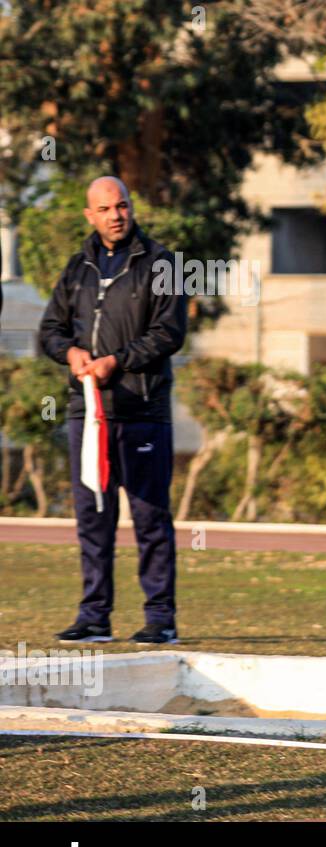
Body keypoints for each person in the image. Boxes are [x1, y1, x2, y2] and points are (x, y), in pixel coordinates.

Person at [37, 176, 188, 645]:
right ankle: (94, 617)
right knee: (92, 518)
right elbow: (50, 330)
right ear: (90, 215)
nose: (115, 215)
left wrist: (116, 361)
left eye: (121, 206)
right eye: (104, 209)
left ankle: (160, 619)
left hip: (141, 409)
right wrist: (72, 356)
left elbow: (169, 333)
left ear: (131, 206)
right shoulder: (77, 267)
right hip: (88, 412)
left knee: (149, 516)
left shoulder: (163, 263)